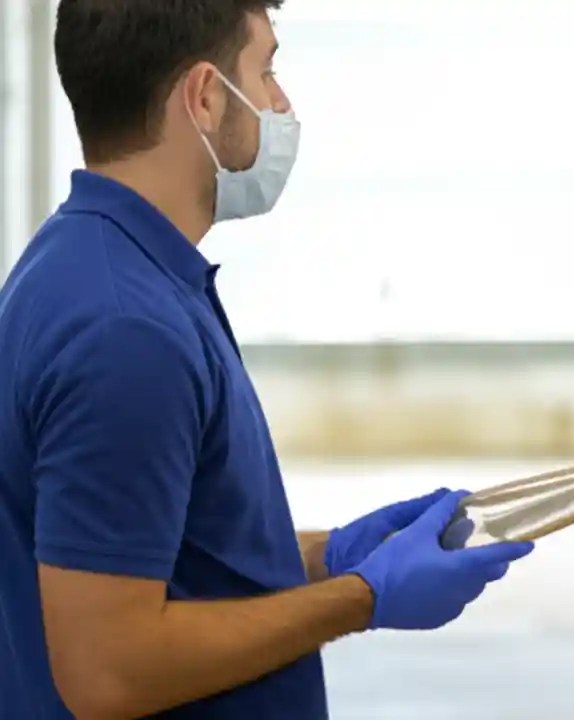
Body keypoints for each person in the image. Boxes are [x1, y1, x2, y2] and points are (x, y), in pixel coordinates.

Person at [0, 3, 533, 718]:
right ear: (207, 96)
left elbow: (148, 554)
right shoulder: (125, 329)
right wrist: (362, 599)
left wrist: (327, 554)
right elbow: (109, 669)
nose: (280, 103)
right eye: (267, 68)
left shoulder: (99, 268)